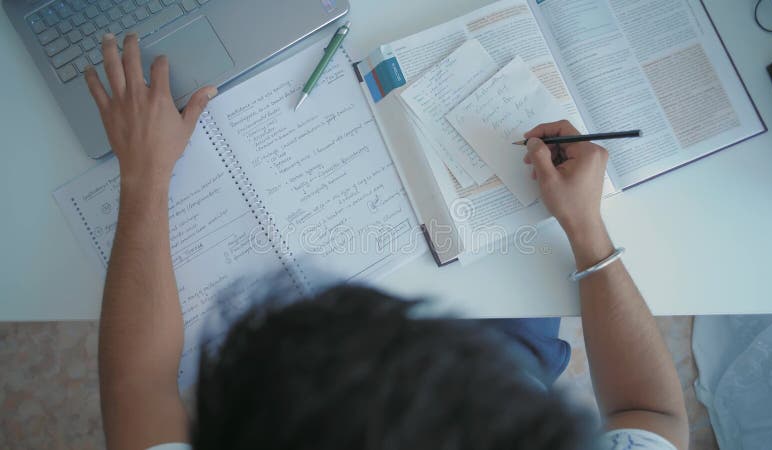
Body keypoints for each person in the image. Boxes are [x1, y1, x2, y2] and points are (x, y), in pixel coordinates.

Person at [85, 33, 689, 450]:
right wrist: (586, 231)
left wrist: (144, 175)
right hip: (510, 349)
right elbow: (657, 414)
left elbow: (135, 383)